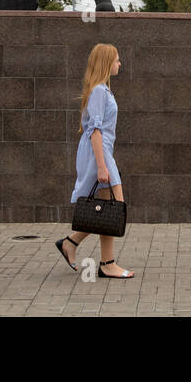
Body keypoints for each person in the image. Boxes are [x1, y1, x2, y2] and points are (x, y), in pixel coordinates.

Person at [56, 43, 135, 279]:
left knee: (108, 207)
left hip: (100, 152)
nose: (119, 64)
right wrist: (102, 165)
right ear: (106, 63)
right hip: (97, 153)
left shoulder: (102, 89)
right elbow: (96, 131)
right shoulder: (99, 91)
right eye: (117, 60)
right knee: (115, 205)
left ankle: (72, 244)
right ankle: (105, 263)